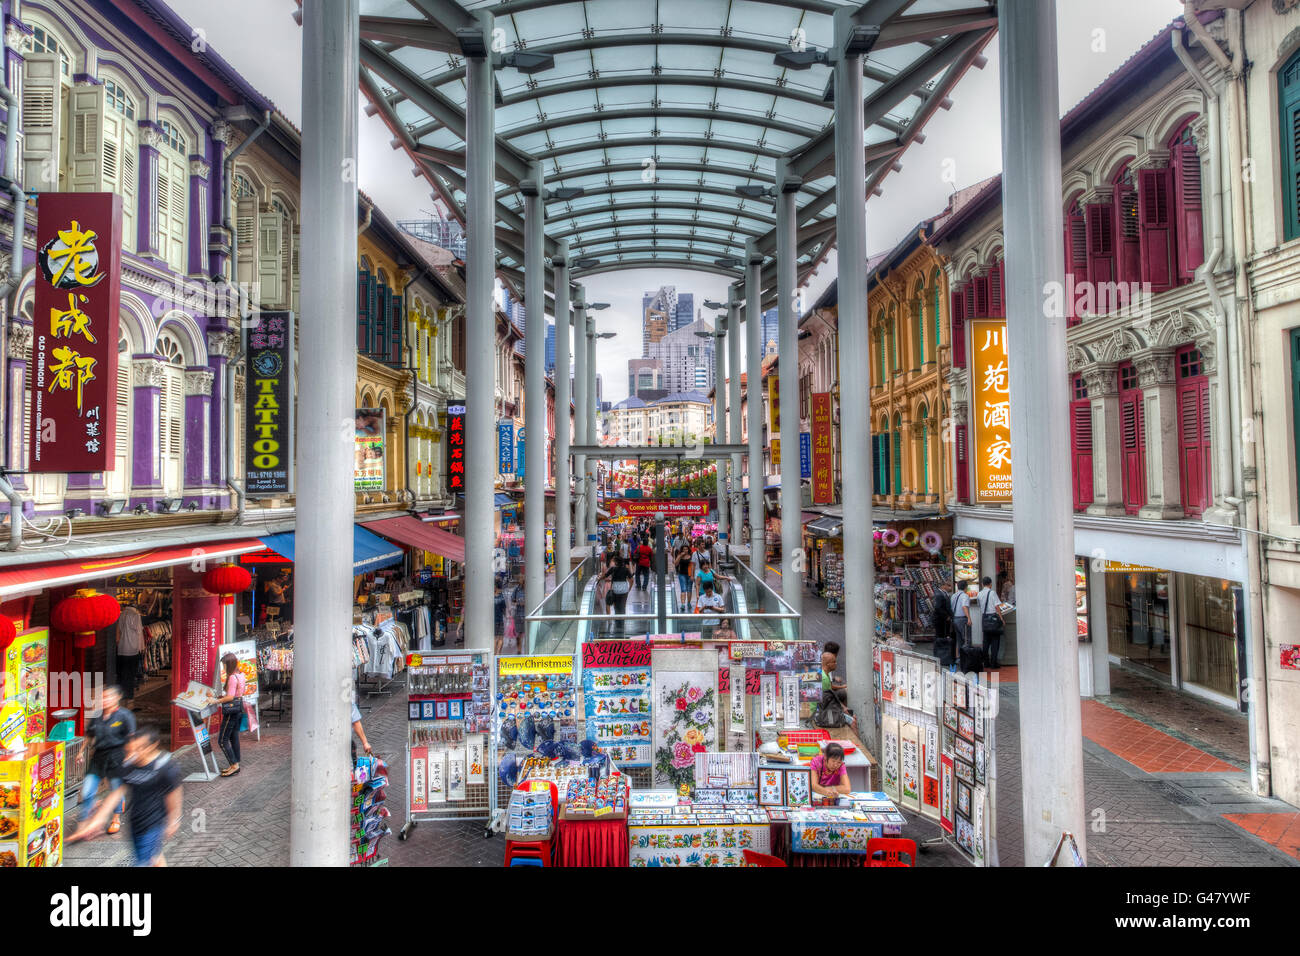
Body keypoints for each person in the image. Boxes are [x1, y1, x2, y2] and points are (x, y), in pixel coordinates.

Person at [69, 727, 182, 867]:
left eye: (139, 749)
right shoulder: (129, 765)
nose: (133, 754)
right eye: (130, 750)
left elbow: (174, 795)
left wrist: (174, 820)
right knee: (154, 856)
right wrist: (97, 820)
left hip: (154, 824)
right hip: (135, 822)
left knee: (143, 861)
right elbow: (116, 793)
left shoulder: (166, 768)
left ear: (152, 746)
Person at [81, 686, 135, 835]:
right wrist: (80, 752)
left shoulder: (125, 715)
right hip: (99, 757)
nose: (105, 700)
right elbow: (90, 735)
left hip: (117, 757)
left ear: (117, 698)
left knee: (116, 790)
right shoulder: (97, 716)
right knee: (87, 791)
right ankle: (89, 818)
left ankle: (116, 819)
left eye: (108, 697)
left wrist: (129, 757)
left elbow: (131, 739)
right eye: (103, 697)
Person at [214, 653, 246, 777]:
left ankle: (234, 765)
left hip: (231, 710)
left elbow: (230, 697)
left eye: (224, 665)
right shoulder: (241, 675)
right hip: (238, 708)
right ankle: (235, 763)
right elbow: (237, 694)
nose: (224, 668)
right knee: (234, 737)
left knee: (222, 740)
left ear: (229, 664)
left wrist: (216, 701)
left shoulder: (232, 677)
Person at [115, 605, 144, 703]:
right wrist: (141, 647)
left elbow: (118, 630)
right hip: (132, 648)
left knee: (122, 673)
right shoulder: (136, 615)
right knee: (131, 673)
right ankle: (129, 694)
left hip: (122, 648)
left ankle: (121, 694)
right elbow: (139, 631)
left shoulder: (122, 614)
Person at [976, 576, 1005, 669]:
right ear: (990, 584)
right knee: (995, 642)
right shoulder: (992, 593)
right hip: (993, 618)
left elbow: (979, 605)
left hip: (984, 618)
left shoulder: (979, 594)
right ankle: (993, 663)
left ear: (982, 584)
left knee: (986, 642)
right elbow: (997, 607)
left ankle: (986, 662)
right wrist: (1001, 618)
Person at [599, 555, 634, 634]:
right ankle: (622, 621)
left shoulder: (613, 569)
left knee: (616, 605)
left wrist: (599, 578)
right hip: (624, 589)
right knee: (623, 605)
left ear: (616, 562)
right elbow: (631, 580)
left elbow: (605, 576)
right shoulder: (626, 569)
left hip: (616, 589)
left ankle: (617, 620)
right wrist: (629, 589)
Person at [931, 588, 956, 668]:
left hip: (943, 620)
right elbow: (938, 607)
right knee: (939, 637)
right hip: (940, 620)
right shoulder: (939, 594)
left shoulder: (944, 593)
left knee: (942, 637)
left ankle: (943, 656)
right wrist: (947, 616)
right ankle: (939, 655)